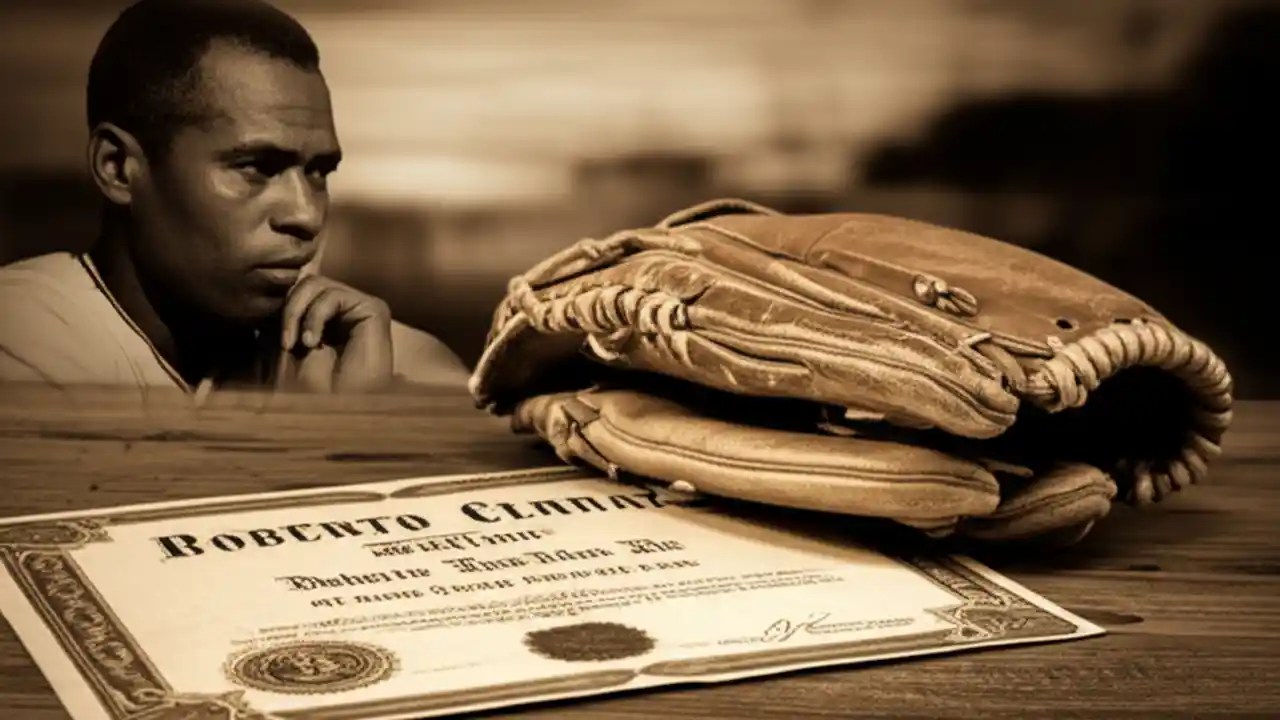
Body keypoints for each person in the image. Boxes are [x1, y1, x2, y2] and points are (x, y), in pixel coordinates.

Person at [0, 0, 469, 398]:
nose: (306, 216)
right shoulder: (24, 340)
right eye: (257, 168)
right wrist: (325, 437)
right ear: (118, 168)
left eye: (319, 172)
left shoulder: (374, 353)